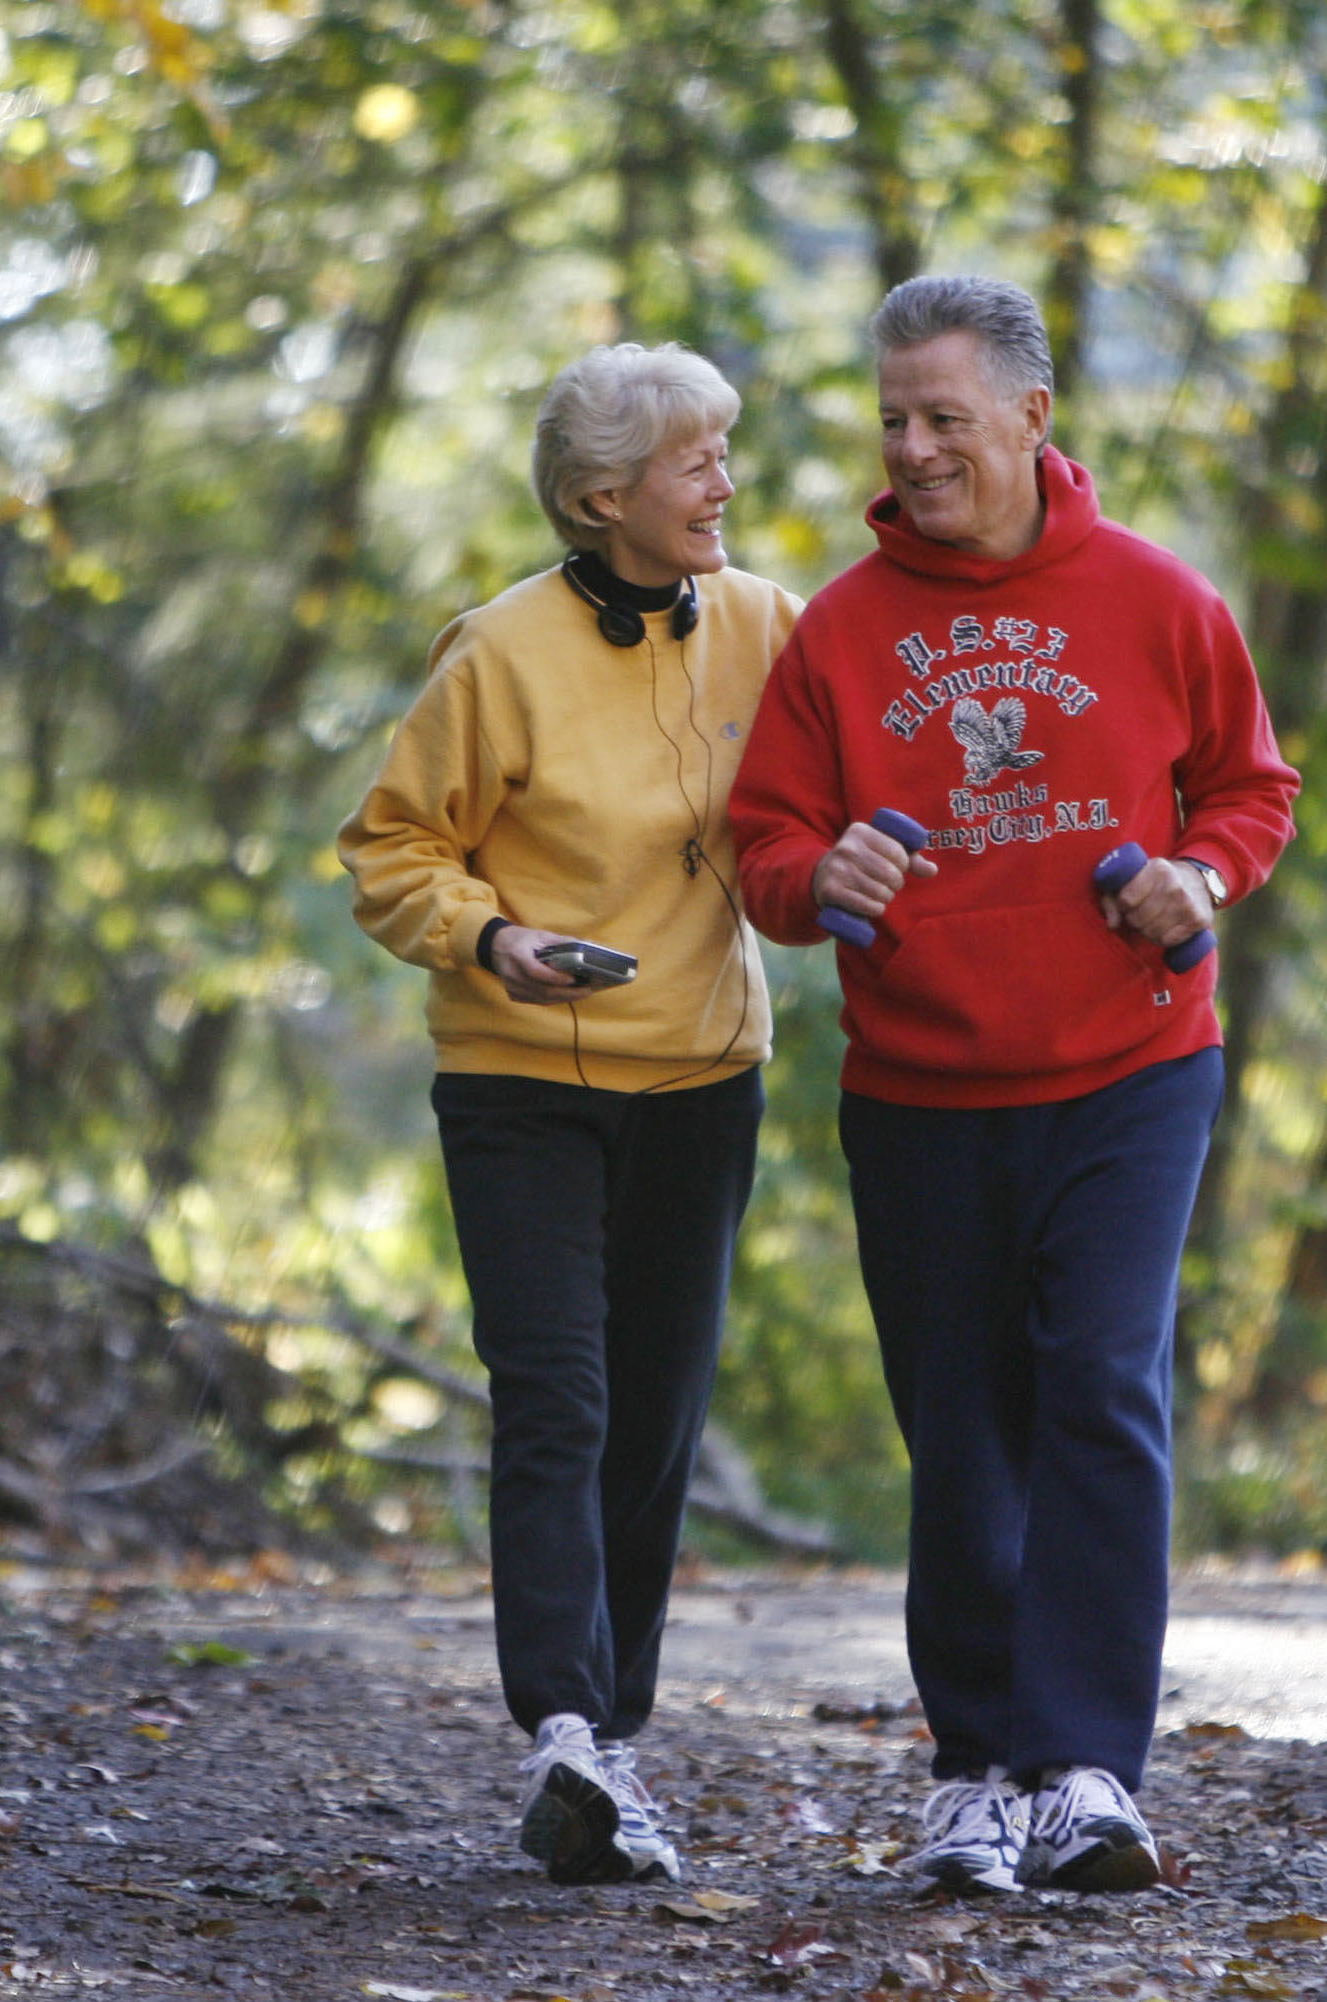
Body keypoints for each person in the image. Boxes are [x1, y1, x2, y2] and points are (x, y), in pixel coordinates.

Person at [728, 276, 1299, 1895]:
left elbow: (1252, 791)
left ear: (1032, 419)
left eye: (942, 419)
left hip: (1131, 1068)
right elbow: (763, 844)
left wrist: (1196, 879)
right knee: (962, 1429)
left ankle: (1089, 1772)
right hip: (919, 1086)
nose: (911, 449)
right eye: (892, 420)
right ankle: (975, 1768)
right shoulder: (840, 630)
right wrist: (814, 873)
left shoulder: (1154, 598)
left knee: (1101, 1386)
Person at [339, 342, 799, 1885]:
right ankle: (563, 1729)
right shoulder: (497, 651)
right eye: (696, 462)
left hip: (700, 1078)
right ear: (604, 497)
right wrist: (493, 937)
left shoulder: (761, 623)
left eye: (727, 453)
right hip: (521, 1079)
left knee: (655, 1421)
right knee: (558, 1398)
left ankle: (617, 1744)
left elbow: (823, 799)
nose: (725, 484)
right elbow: (391, 850)